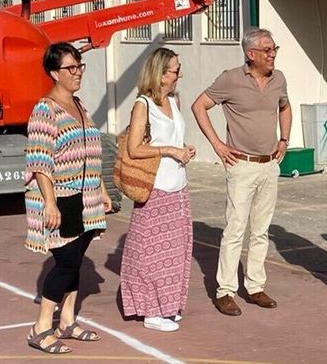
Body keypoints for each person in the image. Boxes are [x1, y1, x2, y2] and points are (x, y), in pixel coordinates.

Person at [191, 28, 291, 316]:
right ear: (251, 54)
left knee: (261, 231)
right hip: (241, 165)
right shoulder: (230, 79)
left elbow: (285, 107)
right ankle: (225, 291)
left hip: (268, 165)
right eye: (267, 50)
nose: (272, 55)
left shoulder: (279, 79)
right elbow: (199, 106)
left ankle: (256, 287)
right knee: (235, 230)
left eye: (274, 49)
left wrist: (284, 139)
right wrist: (218, 145)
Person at [24, 42, 113, 355]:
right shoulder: (45, 110)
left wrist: (102, 189)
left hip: (87, 196)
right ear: (54, 73)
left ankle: (67, 321)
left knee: (76, 259)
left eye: (79, 66)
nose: (77, 73)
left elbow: (89, 151)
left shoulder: (78, 104)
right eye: (70, 68)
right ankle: (41, 327)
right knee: (66, 261)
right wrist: (50, 203)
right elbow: (40, 160)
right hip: (61, 196)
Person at [118, 47, 197, 332]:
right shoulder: (143, 105)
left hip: (178, 186)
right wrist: (170, 150)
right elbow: (134, 148)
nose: (179, 75)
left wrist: (183, 149)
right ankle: (150, 311)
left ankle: (166, 305)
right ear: (161, 75)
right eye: (176, 70)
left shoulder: (174, 100)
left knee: (175, 251)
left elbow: (174, 136)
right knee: (151, 253)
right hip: (155, 188)